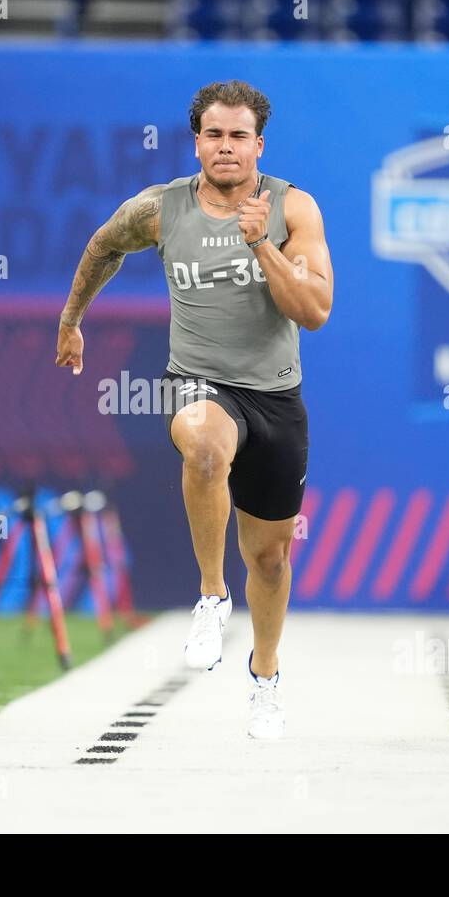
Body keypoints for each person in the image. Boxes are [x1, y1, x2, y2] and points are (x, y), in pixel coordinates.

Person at [54, 80, 333, 738]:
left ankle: (265, 677)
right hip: (198, 382)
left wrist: (262, 245)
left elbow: (315, 313)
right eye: (215, 135)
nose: (226, 147)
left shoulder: (295, 209)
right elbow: (103, 247)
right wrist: (71, 321)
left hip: (275, 399)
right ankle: (211, 596)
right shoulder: (160, 208)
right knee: (204, 445)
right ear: (197, 142)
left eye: (239, 136)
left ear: (259, 145)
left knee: (269, 558)